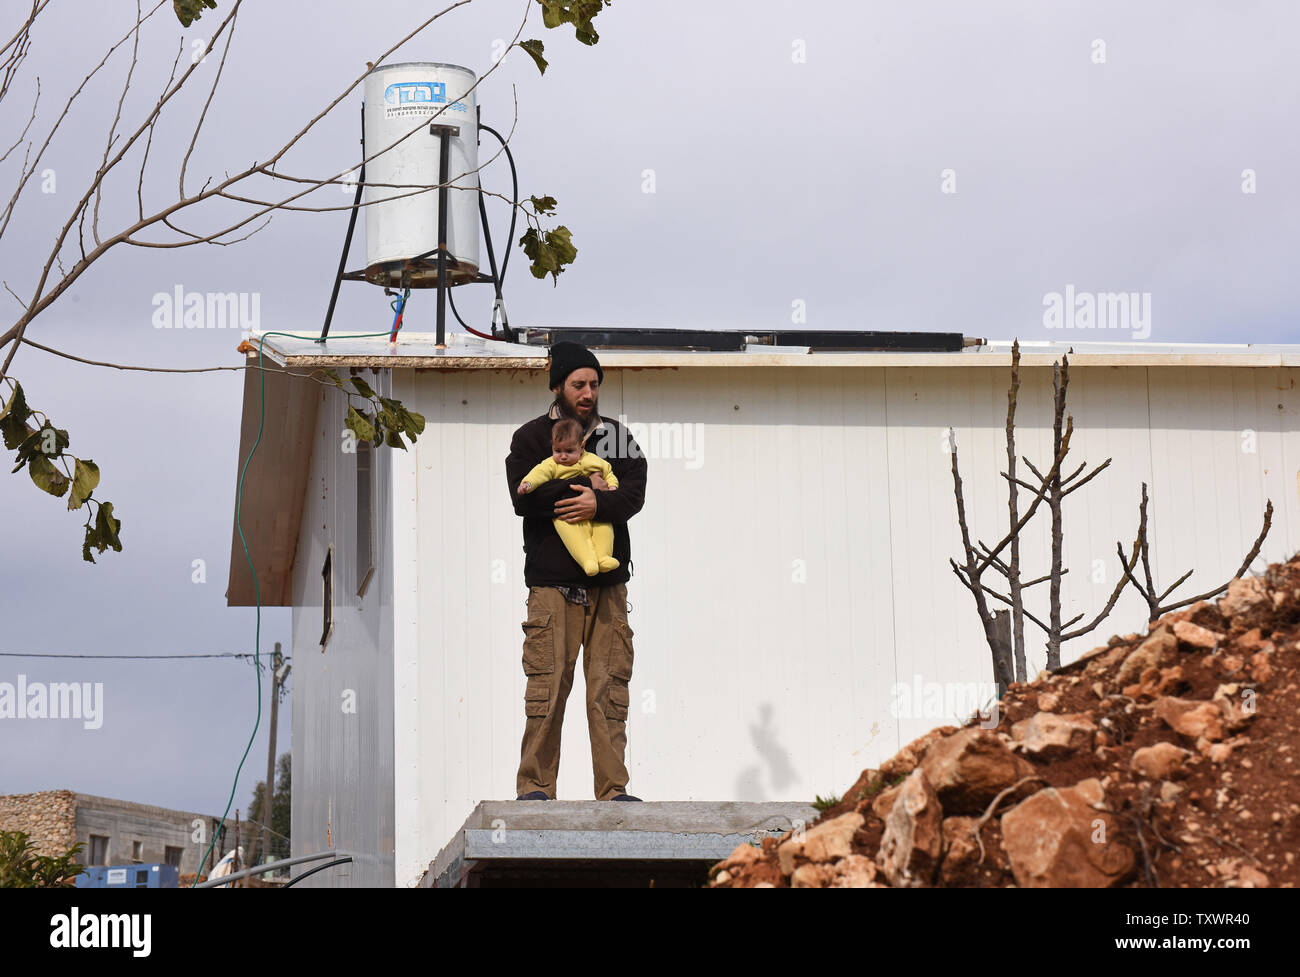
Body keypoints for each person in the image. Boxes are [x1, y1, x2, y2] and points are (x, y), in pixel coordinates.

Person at [505, 341, 648, 802]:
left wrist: (599, 502)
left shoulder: (617, 438)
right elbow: (524, 498)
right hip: (552, 586)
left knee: (608, 692)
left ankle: (613, 791)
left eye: (594, 384)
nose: (588, 392)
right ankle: (535, 789)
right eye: (578, 384)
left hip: (608, 584)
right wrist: (586, 487)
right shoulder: (530, 438)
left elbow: (634, 494)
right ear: (557, 388)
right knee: (547, 689)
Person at [516, 417, 621, 576]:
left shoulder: (592, 460)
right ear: (552, 447)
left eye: (569, 451)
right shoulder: (552, 464)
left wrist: (612, 486)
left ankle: (603, 556)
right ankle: (587, 560)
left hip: (594, 512)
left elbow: (608, 472)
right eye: (558, 451)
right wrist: (528, 484)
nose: (563, 456)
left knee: (604, 527)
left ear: (581, 447)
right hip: (567, 513)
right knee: (571, 535)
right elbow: (539, 473)